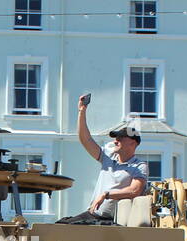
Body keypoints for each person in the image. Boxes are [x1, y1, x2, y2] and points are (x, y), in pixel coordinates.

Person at [55, 96, 148, 225]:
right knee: (60, 226)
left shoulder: (139, 166)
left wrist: (106, 194)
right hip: (93, 214)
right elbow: (86, 140)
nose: (116, 141)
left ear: (132, 143)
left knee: (68, 230)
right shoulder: (108, 157)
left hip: (113, 221)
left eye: (120, 138)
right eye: (116, 138)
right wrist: (82, 110)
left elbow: (134, 190)